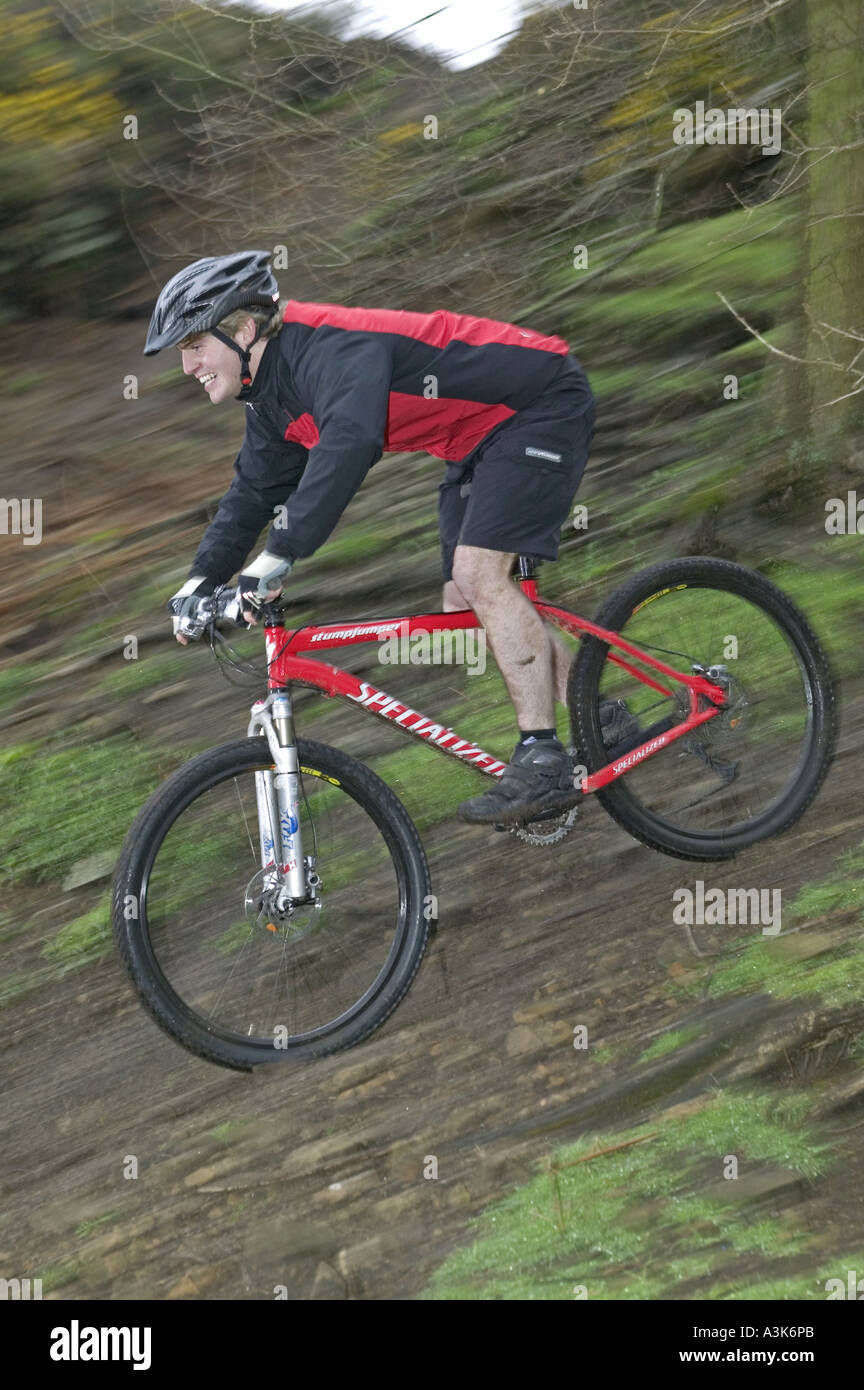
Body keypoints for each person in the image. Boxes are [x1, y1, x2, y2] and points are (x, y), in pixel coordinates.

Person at [146, 250, 619, 826]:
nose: (189, 365)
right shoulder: (268, 393)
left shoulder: (332, 347)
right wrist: (200, 580)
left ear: (243, 328)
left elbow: (349, 442)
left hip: (537, 405)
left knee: (479, 574)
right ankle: (602, 719)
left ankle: (541, 758)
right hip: (474, 442)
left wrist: (279, 556)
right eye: (183, 353)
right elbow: (251, 494)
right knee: (466, 602)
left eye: (194, 346)